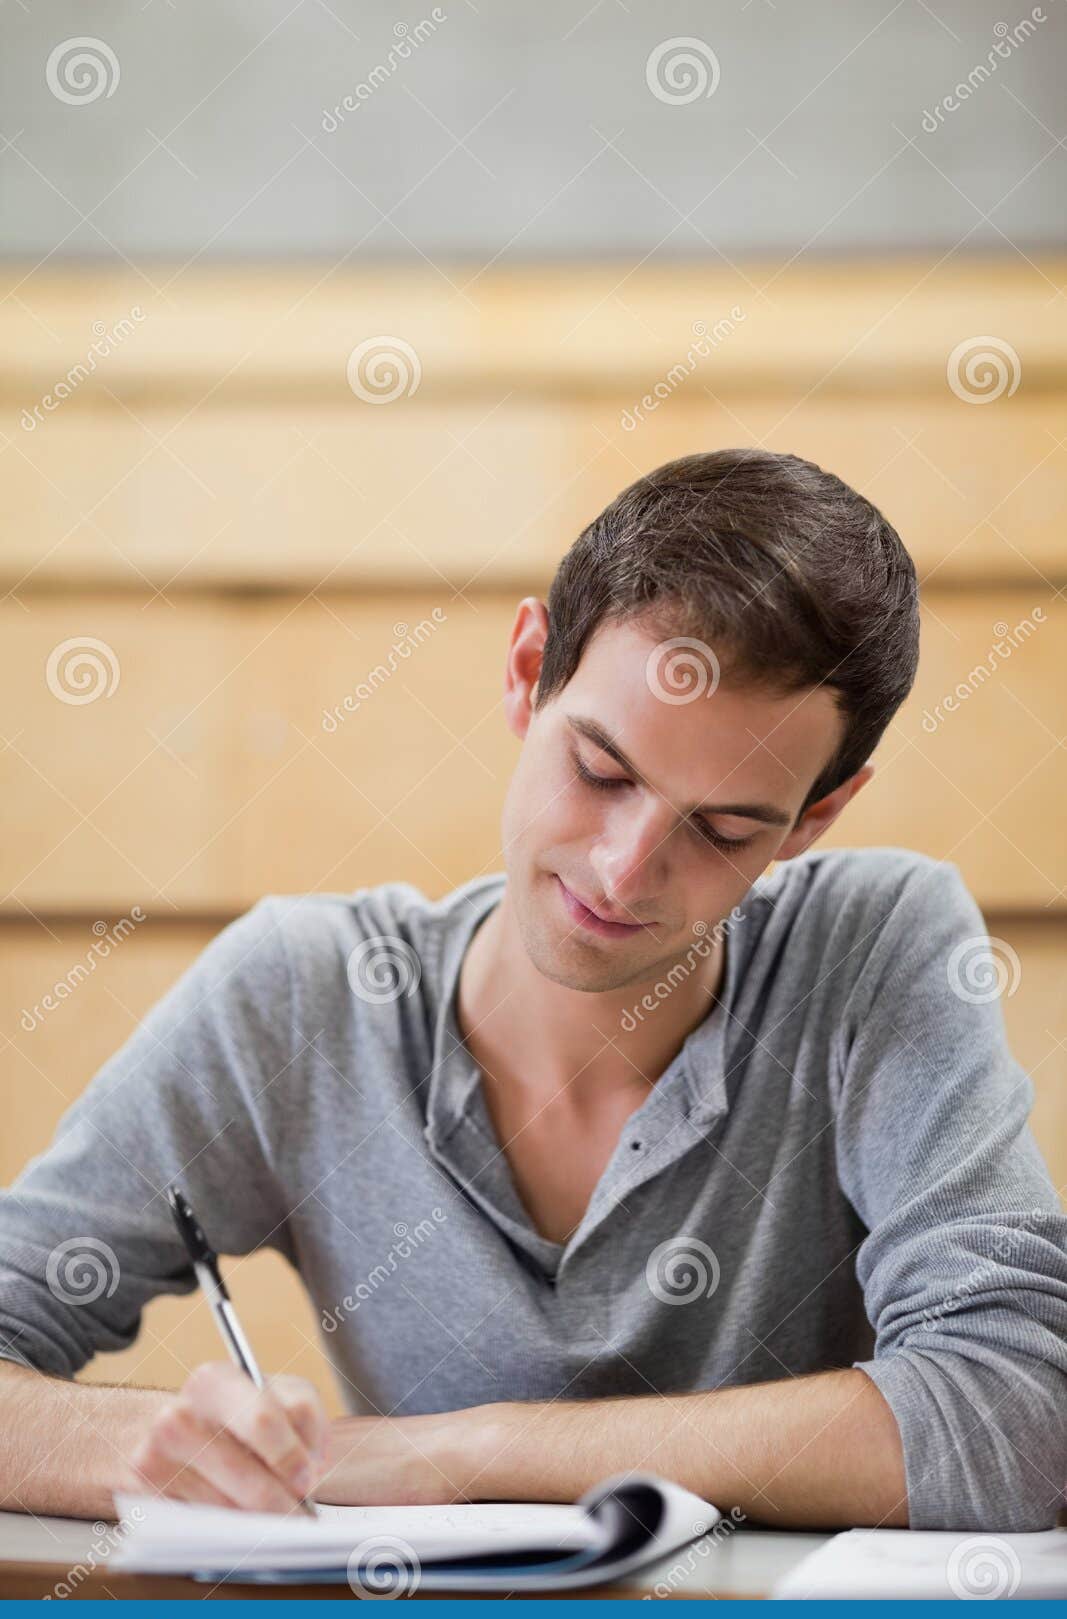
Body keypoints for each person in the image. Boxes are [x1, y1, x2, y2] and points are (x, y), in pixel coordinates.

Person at [2, 449, 1064, 1530]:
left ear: (815, 817)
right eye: (599, 770)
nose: (620, 870)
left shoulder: (869, 949)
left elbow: (1020, 1411)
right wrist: (160, 1451)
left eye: (724, 827)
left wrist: (470, 1450)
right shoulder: (299, 999)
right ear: (526, 670)